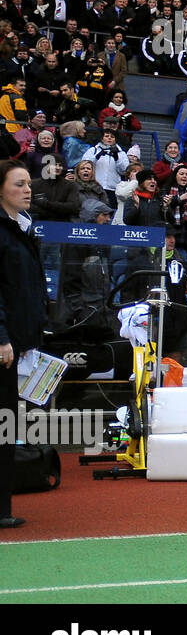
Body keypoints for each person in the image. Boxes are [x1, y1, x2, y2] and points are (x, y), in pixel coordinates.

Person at [0, 160, 44, 529]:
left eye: (29, 183)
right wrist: (2, 339)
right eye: (19, 183)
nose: (28, 189)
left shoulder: (23, 228)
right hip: (3, 346)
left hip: (19, 342)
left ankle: (2, 507)